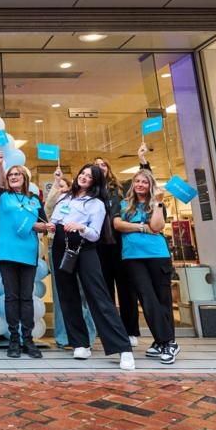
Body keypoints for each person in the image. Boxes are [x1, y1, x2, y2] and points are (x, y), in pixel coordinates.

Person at [50, 164, 136, 370]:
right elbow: (54, 219)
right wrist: (50, 226)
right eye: (83, 173)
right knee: (67, 295)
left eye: (89, 176)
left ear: (95, 182)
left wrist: (81, 227)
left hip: (84, 247)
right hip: (60, 246)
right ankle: (80, 344)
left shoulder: (96, 203)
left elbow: (95, 234)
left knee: (98, 296)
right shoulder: (65, 197)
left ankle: (123, 348)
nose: (84, 177)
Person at [0, 152, 47, 358]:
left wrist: (44, 226)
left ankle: (28, 340)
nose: (14, 176)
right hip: (7, 254)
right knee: (11, 297)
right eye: (11, 175)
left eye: (18, 174)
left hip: (28, 254)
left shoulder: (34, 199)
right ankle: (14, 340)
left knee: (26, 298)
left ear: (25, 178)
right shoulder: (3, 196)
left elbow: (43, 225)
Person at [113, 169, 180, 364]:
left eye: (144, 182)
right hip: (133, 257)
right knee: (146, 297)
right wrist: (142, 227)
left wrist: (158, 203)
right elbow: (118, 225)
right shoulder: (124, 204)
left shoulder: (156, 204)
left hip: (157, 255)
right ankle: (168, 342)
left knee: (162, 299)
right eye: (137, 181)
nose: (140, 185)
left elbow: (157, 227)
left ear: (150, 185)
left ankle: (163, 342)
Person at [94, 145, 148, 347]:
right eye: (96, 165)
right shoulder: (89, 192)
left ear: (108, 168)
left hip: (121, 244)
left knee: (127, 290)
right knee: (105, 292)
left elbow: (145, 182)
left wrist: (142, 161)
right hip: (99, 246)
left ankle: (131, 331)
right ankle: (111, 331)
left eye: (103, 164)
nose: (100, 167)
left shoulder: (121, 188)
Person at [44, 166, 96, 349]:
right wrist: (57, 183)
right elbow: (47, 208)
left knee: (81, 292)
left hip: (78, 245)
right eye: (59, 188)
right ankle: (63, 337)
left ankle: (87, 336)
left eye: (64, 187)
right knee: (61, 294)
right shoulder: (58, 202)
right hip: (57, 245)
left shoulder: (84, 201)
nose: (62, 190)